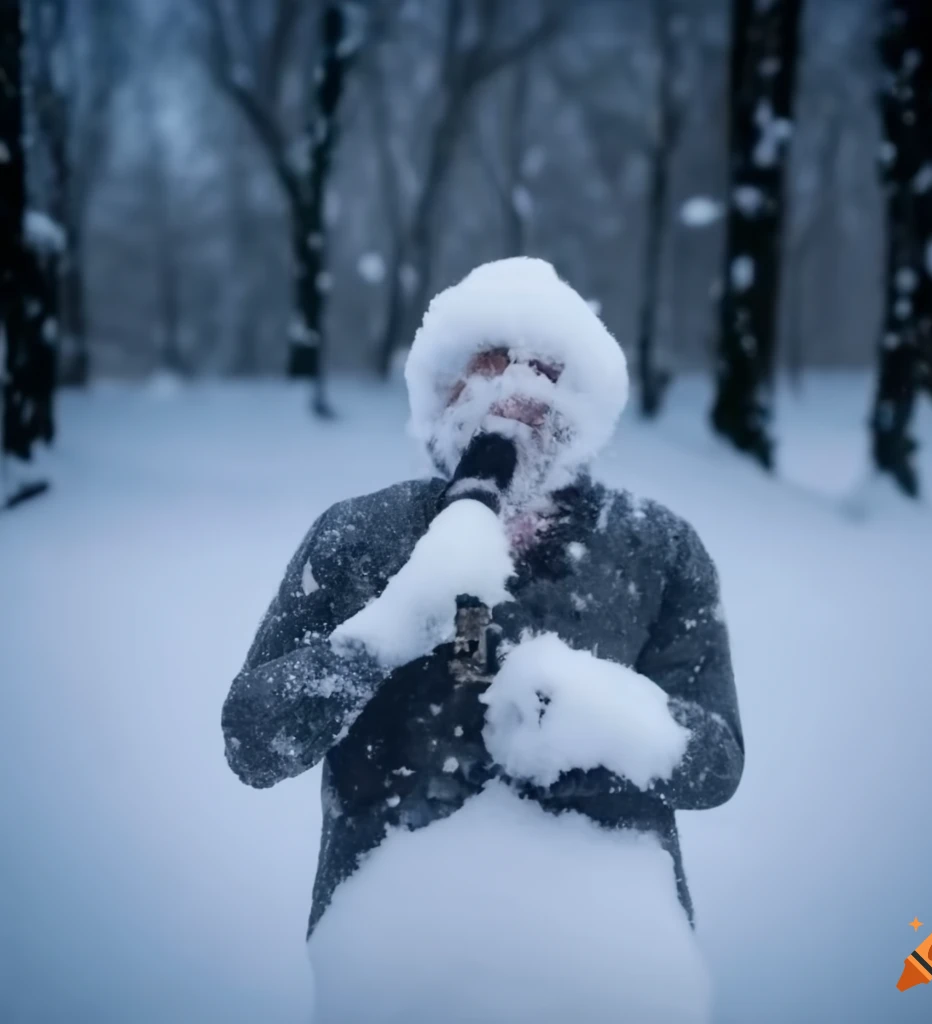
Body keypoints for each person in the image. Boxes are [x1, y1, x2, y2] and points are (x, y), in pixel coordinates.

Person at [221, 257, 744, 1023]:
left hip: (614, 969)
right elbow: (254, 742)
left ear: (587, 403)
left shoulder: (658, 551)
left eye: (545, 373)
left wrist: (608, 717)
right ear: (440, 395)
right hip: (400, 966)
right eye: (491, 368)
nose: (518, 395)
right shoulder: (360, 539)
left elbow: (716, 768)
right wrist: (387, 634)